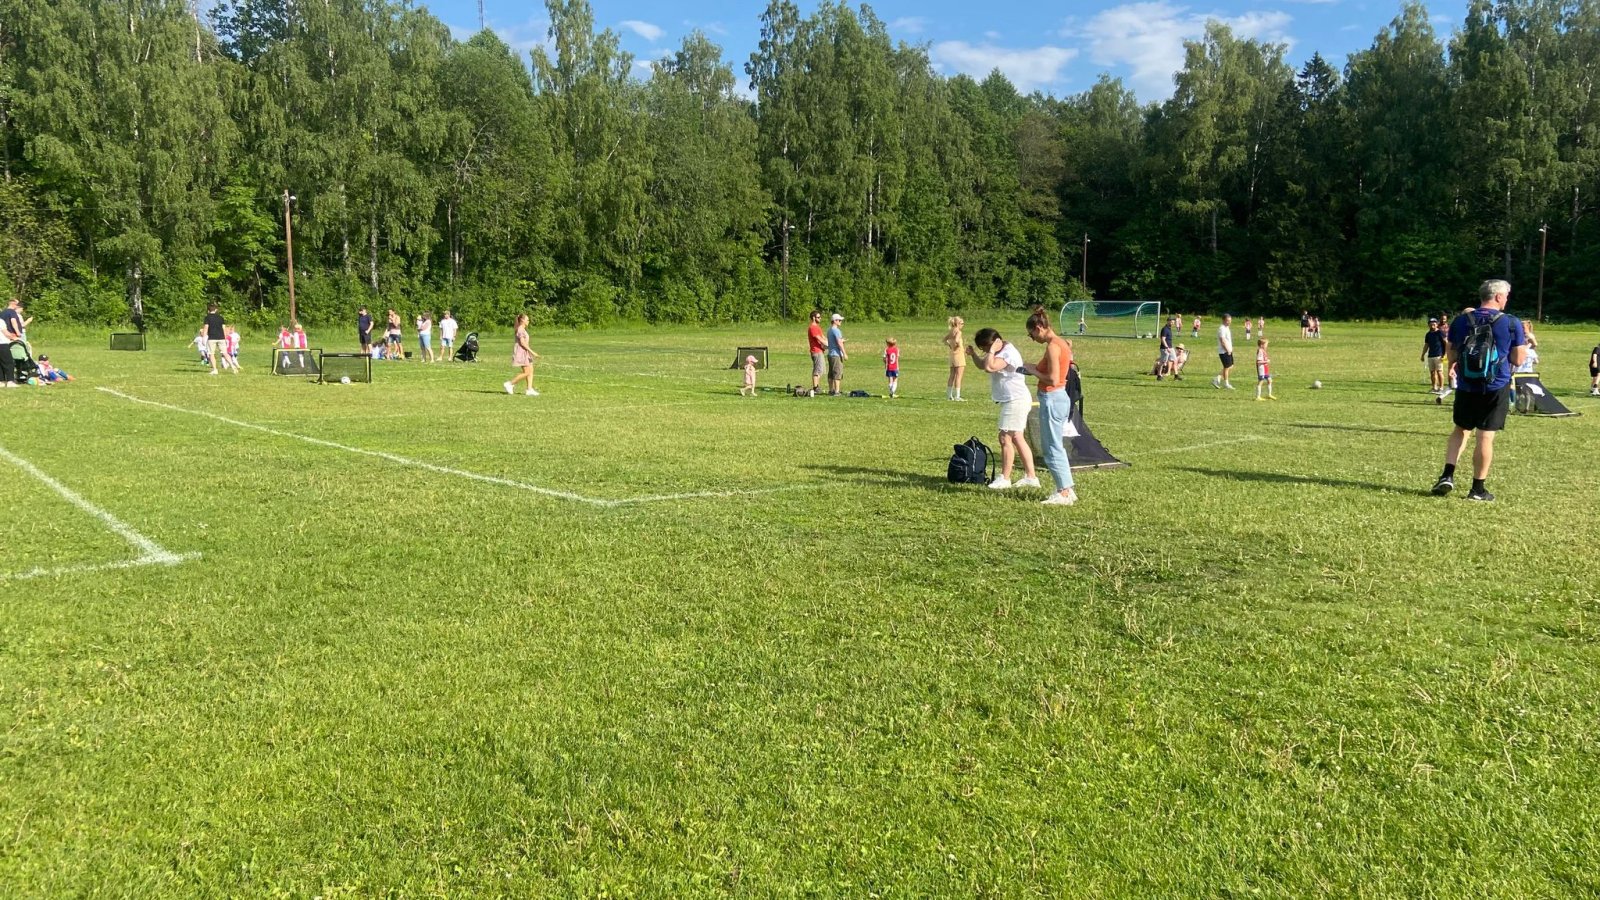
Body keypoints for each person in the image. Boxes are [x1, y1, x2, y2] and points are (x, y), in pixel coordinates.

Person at [1431, 280, 1527, 503]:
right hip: (1496, 385)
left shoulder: (1461, 320)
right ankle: (1477, 489)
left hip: (1466, 385)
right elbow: (1518, 359)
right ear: (1498, 297)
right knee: (1485, 436)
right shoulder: (1511, 322)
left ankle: (1447, 475)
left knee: (1460, 430)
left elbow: (1452, 354)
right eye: (1506, 295)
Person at [966, 327, 1039, 491]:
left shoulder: (1008, 353)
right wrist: (974, 355)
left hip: (1016, 400)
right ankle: (1031, 476)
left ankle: (1005, 478)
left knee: (1005, 437)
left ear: (994, 342)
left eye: (985, 347)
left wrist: (991, 350)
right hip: (1013, 400)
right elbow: (984, 364)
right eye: (982, 349)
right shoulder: (997, 351)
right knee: (1017, 437)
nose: (984, 351)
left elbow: (990, 367)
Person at [1022, 307, 1076, 506]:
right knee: (1055, 446)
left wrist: (1032, 371)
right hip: (1058, 398)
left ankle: (1063, 492)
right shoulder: (1062, 343)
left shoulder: (1053, 346)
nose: (1032, 338)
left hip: (1052, 398)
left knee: (1051, 448)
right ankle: (1067, 489)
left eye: (1031, 334)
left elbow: (1053, 378)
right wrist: (1033, 369)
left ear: (1038, 328)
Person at [504, 312, 540, 396]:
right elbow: (523, 343)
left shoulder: (522, 329)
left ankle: (529, 389)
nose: (528, 321)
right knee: (527, 372)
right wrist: (533, 352)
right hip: (521, 353)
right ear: (522, 320)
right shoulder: (520, 329)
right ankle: (510, 384)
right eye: (527, 320)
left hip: (525, 353)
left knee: (531, 370)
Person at [0, 297, 23, 386]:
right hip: (2, 344)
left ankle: (1, 381)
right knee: (9, 362)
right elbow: (5, 332)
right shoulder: (0, 321)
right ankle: (10, 381)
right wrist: (14, 337)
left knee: (0, 363)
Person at [943, 316, 967, 401]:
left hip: (952, 354)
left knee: (952, 375)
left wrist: (950, 345)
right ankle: (957, 396)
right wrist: (961, 348)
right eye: (962, 323)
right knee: (959, 376)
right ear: (957, 323)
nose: (963, 325)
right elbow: (957, 340)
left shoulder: (951, 331)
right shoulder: (958, 332)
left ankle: (949, 395)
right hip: (959, 354)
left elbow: (944, 340)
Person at [1422, 318, 1447, 396]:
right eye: (1431, 323)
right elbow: (1426, 345)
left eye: (1434, 323)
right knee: (1432, 372)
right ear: (1428, 324)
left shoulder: (1440, 332)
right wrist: (1423, 354)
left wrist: (1445, 354)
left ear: (1437, 324)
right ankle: (1434, 387)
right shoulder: (1428, 334)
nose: (1432, 325)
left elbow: (1446, 342)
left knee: (1439, 371)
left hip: (1439, 355)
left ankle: (1441, 388)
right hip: (1431, 355)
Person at [1212, 313, 1236, 390]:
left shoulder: (1227, 328)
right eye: (1227, 321)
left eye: (1230, 320)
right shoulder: (1222, 328)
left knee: (1230, 366)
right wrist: (1227, 350)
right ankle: (1226, 384)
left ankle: (1217, 378)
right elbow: (1222, 340)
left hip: (1228, 350)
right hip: (1224, 351)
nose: (1229, 322)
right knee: (1227, 367)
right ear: (1223, 320)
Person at [806, 310, 826, 397]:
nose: (820, 318)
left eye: (820, 317)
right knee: (817, 370)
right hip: (816, 351)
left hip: (820, 351)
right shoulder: (813, 328)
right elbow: (819, 339)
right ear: (813, 318)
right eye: (818, 317)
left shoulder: (818, 327)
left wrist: (831, 343)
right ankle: (815, 387)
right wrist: (829, 345)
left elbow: (823, 337)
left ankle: (817, 386)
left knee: (821, 370)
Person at [826, 313, 847, 396]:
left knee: (831, 373)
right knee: (837, 373)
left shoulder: (829, 330)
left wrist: (841, 341)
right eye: (839, 320)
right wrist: (844, 353)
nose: (841, 321)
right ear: (834, 321)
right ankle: (837, 391)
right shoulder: (836, 330)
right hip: (836, 355)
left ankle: (831, 390)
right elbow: (839, 342)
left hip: (830, 354)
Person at [203, 303, 226, 376]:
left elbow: (206, 328)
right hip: (221, 337)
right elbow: (224, 329)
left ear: (208, 310)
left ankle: (215, 369)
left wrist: (204, 337)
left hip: (212, 337)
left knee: (211, 354)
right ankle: (233, 367)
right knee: (225, 353)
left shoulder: (207, 317)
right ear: (216, 310)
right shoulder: (221, 317)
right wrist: (225, 338)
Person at [1157, 315, 1177, 380]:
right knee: (1163, 362)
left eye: (1173, 322)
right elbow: (1163, 339)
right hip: (1165, 348)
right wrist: (1167, 347)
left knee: (1175, 360)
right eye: (1172, 322)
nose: (1173, 323)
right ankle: (1159, 375)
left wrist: (1170, 348)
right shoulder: (1165, 329)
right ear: (1168, 321)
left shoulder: (1169, 328)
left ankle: (1176, 375)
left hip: (1170, 348)